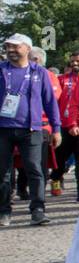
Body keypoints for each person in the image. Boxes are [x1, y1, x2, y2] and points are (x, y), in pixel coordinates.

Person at [1, 33, 61, 227]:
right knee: (3, 172)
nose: (11, 50)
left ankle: (38, 210)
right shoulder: (1, 70)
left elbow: (50, 102)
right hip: (3, 129)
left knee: (35, 170)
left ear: (27, 48)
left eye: (15, 47)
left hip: (32, 129)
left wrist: (56, 128)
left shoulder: (39, 72)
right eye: (8, 46)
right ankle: (4, 211)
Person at [51, 51, 79, 199]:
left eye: (78, 61)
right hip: (64, 125)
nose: (75, 63)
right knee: (60, 158)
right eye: (72, 61)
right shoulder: (62, 79)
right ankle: (55, 181)